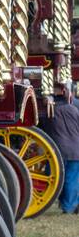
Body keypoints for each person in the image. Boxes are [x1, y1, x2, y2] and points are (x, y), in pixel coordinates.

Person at [40, 84, 79, 214]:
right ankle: (69, 206)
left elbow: (44, 129)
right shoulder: (74, 110)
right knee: (71, 179)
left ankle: (67, 205)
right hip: (75, 150)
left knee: (58, 179)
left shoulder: (49, 112)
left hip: (56, 151)